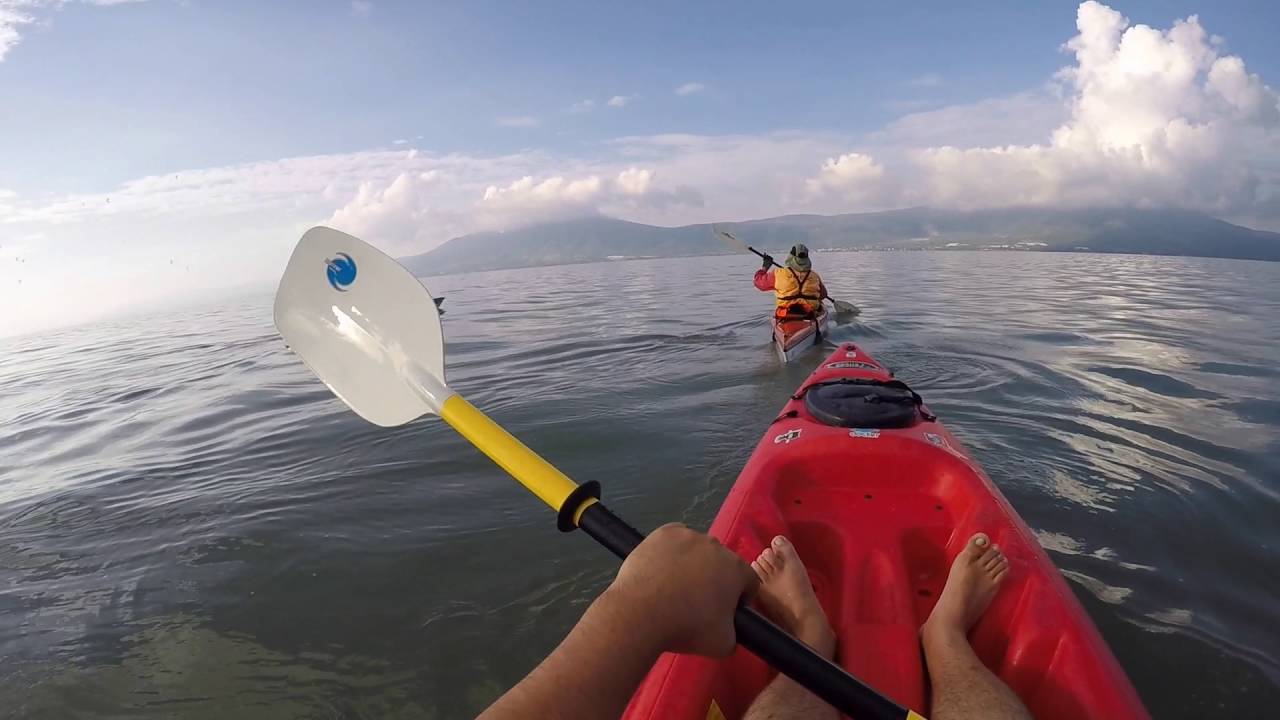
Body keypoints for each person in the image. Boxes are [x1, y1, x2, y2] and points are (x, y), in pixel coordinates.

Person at [477, 524, 1032, 720]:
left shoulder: (803, 278)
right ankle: (944, 641)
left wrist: (640, 608)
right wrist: (640, 608)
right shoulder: (789, 277)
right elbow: (762, 281)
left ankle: (820, 641)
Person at [754, 244, 830, 317]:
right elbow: (823, 294)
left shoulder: (778, 273)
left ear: (791, 257)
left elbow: (758, 283)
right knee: (819, 304)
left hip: (786, 313)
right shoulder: (814, 276)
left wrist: (765, 266)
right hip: (810, 312)